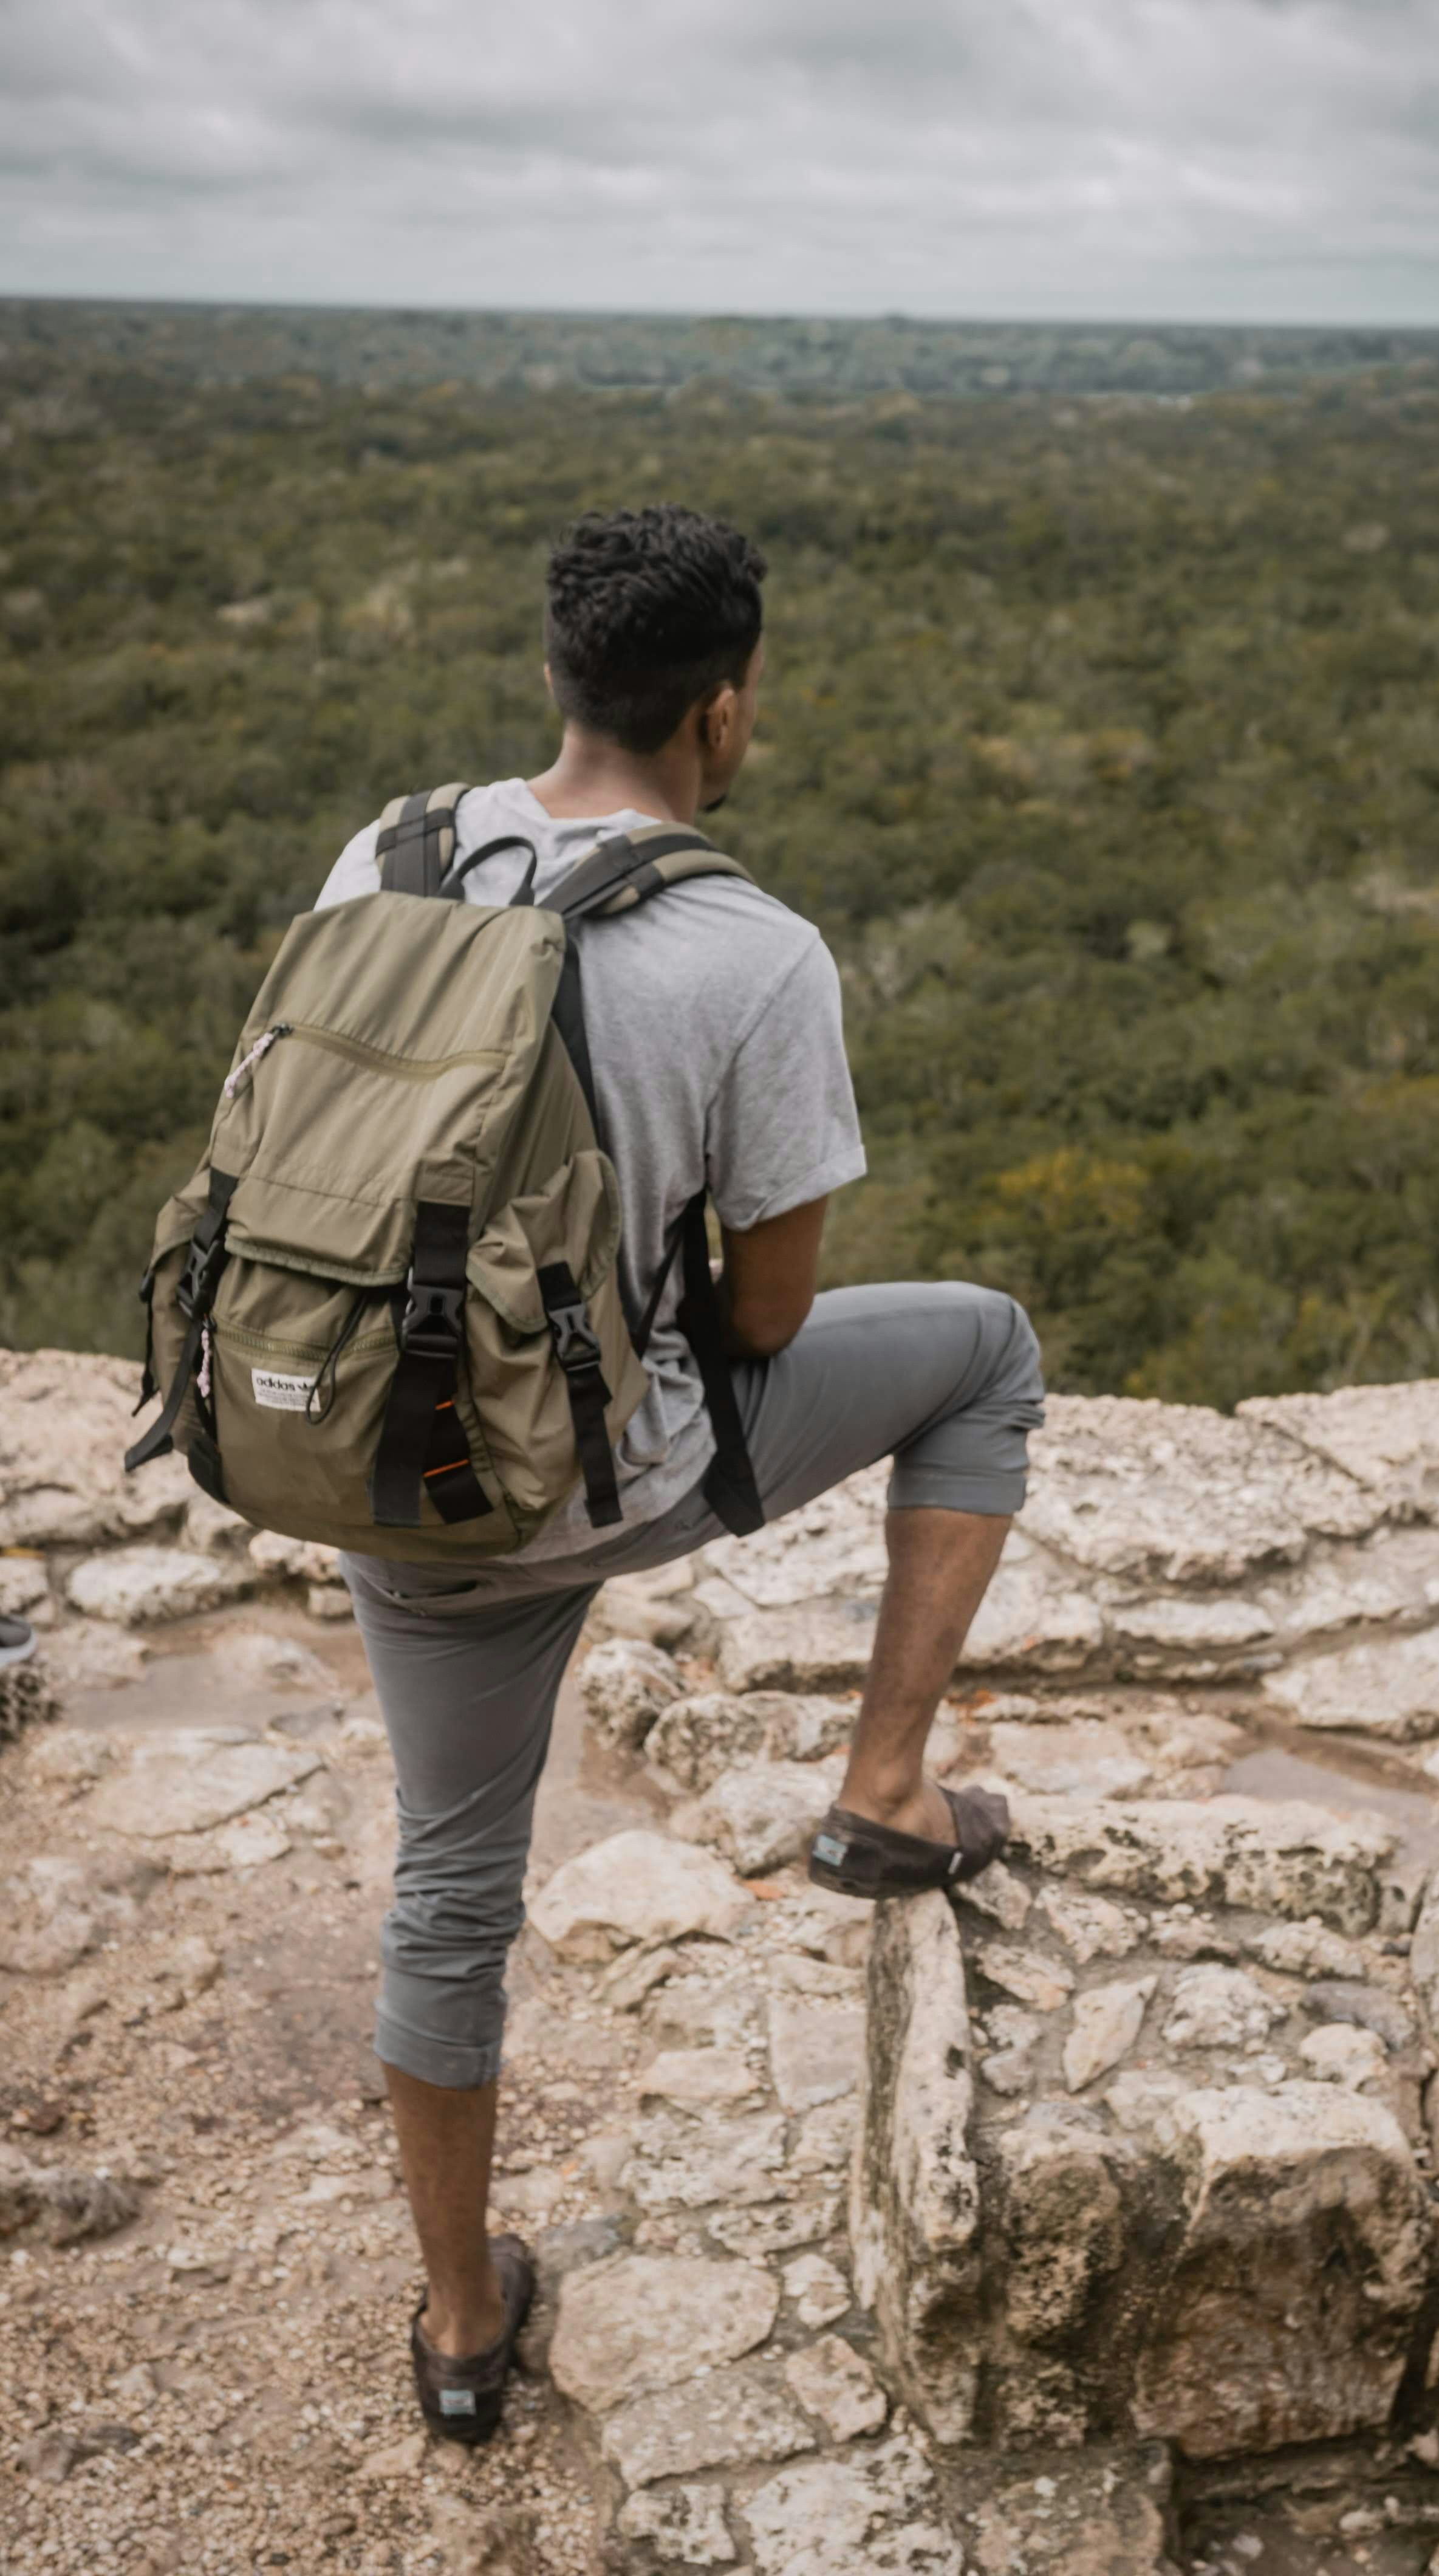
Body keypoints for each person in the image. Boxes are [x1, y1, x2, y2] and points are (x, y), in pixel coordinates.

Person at [316, 504, 1044, 2442]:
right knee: (981, 1347)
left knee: (448, 1893)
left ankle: (464, 2332)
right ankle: (886, 1787)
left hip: (380, 1469)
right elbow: (778, 1318)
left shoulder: (389, 854)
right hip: (597, 1478)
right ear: (725, 717)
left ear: (555, 681)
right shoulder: (756, 951)